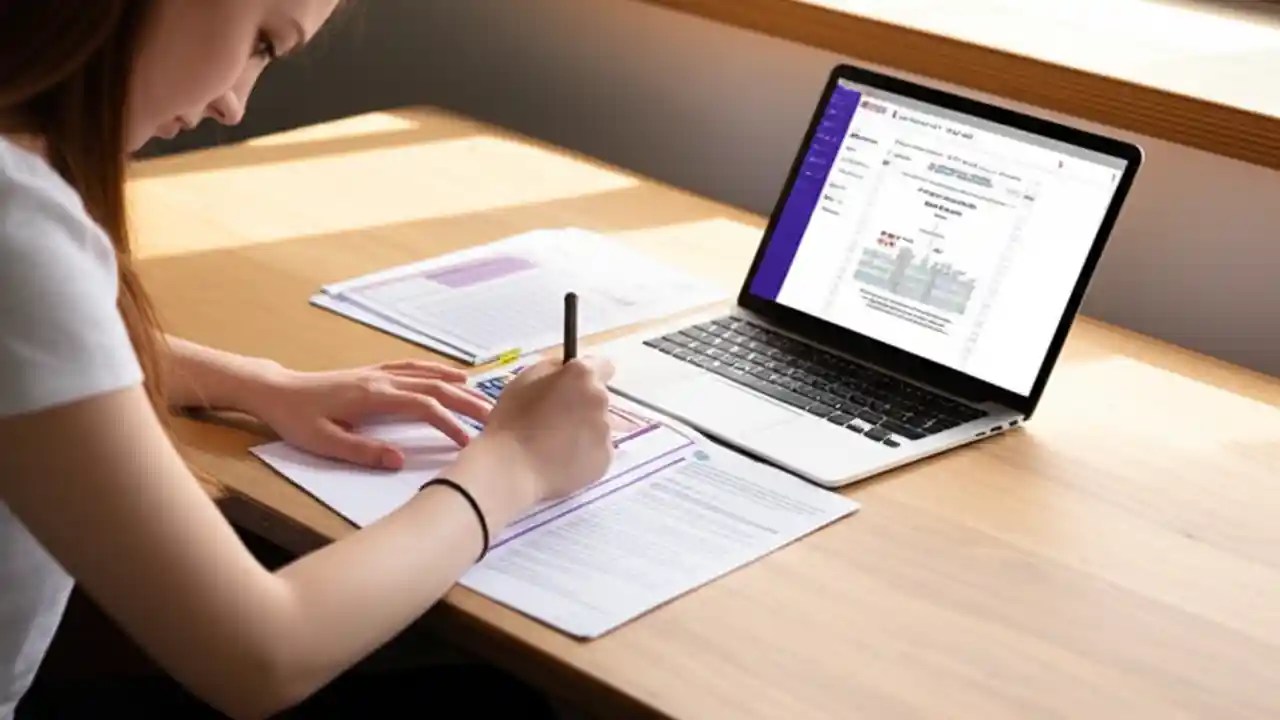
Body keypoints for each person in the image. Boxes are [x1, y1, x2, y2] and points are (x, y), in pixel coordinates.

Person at [0, 1, 616, 718]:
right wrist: (516, 462)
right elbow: (262, 653)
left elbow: (29, 349)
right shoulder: (21, 234)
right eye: (262, 40)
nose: (234, 103)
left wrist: (254, 380)